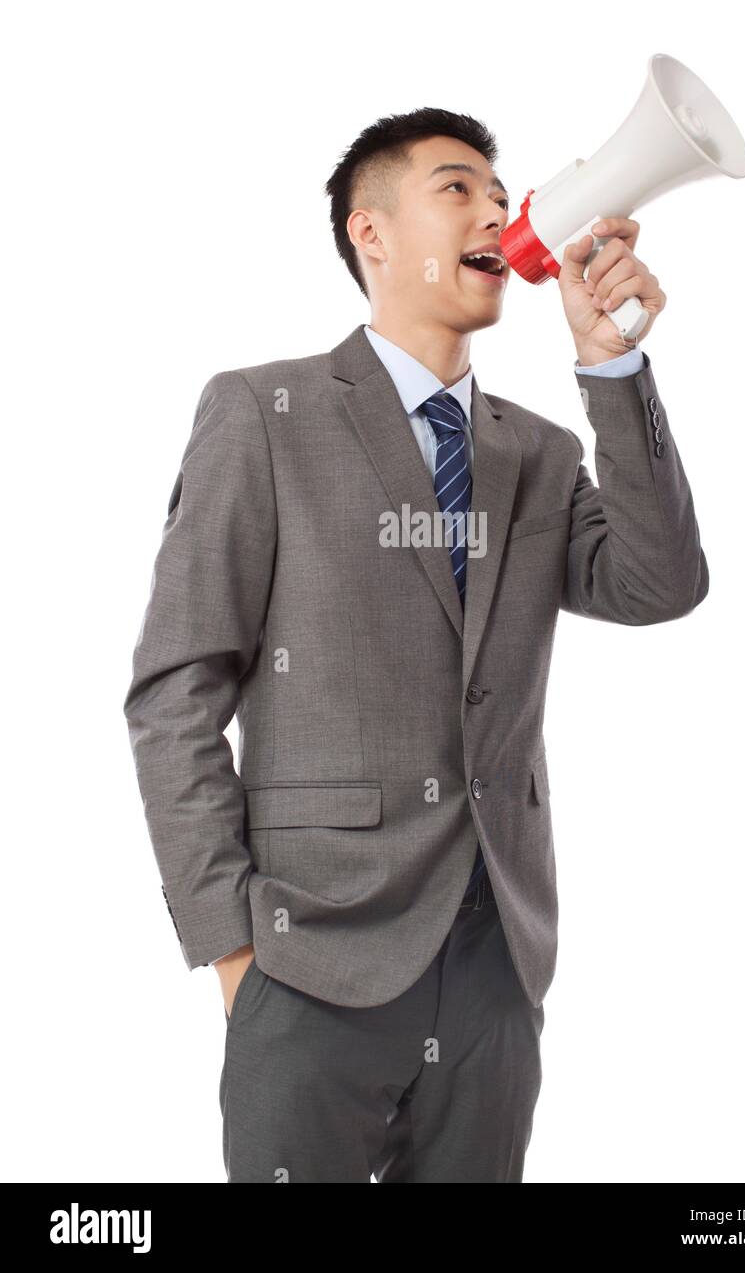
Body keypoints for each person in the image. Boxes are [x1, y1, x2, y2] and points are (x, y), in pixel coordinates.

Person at [123, 107, 708, 1183]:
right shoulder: (263, 414)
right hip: (309, 962)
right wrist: (236, 953)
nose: (496, 206)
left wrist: (609, 367)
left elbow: (657, 583)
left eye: (500, 191)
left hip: (493, 969)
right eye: (457, 188)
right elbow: (174, 693)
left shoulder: (533, 451)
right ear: (370, 233)